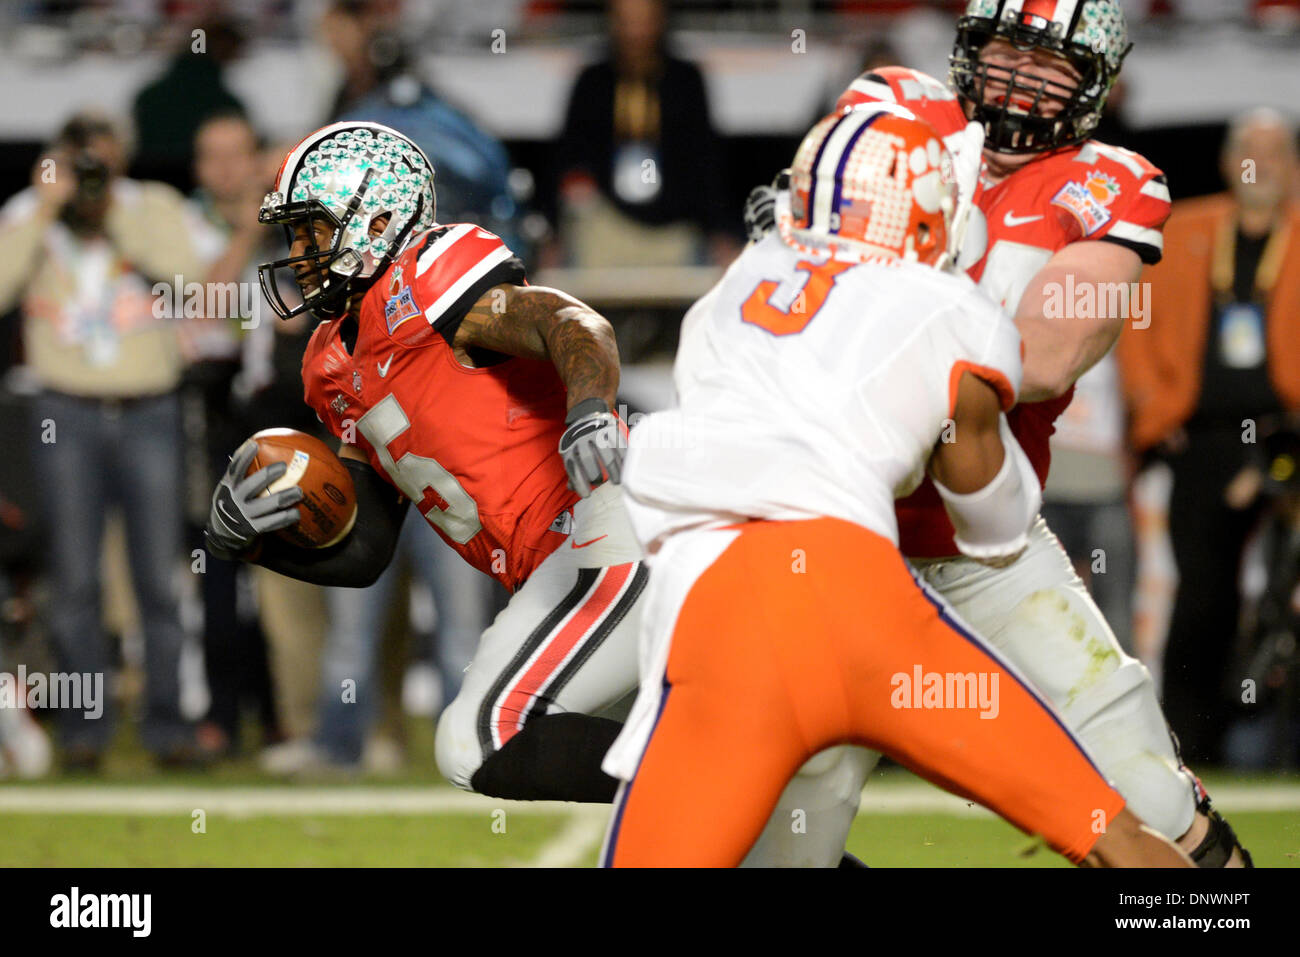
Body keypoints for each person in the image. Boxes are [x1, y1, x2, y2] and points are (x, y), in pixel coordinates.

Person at [601, 103, 1189, 868]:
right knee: (1115, 837)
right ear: (928, 214)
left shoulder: (735, 286)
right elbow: (995, 525)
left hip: (722, 611)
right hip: (866, 609)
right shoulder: (950, 306)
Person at [740, 0, 1250, 868]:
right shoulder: (892, 106)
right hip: (829, 542)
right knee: (786, 837)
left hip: (985, 553)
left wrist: (902, 304)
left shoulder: (1112, 182)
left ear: (1093, 88)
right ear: (967, 51)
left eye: (1050, 66)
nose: (1018, 79)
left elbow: (1048, 356)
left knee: (1152, 803)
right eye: (1006, 52)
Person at [204, 121, 647, 801]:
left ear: (376, 219)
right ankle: (732, 779)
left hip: (610, 512)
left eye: (311, 230)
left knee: (484, 736)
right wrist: (252, 543)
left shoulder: (428, 276)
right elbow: (367, 549)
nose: (296, 254)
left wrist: (589, 407)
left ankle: (710, 766)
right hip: (562, 562)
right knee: (732, 840)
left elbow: (575, 324)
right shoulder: (330, 363)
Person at [0, 112, 205, 767]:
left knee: (159, 581)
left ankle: (169, 727)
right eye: (81, 162)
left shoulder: (153, 205)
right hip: (67, 411)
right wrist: (43, 210)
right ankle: (85, 733)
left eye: (101, 163)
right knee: (76, 579)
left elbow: (191, 285)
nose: (91, 176)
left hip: (148, 408)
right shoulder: (30, 212)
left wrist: (113, 213)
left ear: (123, 159)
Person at [1117, 107, 1300, 764]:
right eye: (1251, 149)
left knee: (1287, 594)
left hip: (1290, 440)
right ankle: (1189, 748)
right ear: (1228, 161)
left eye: (1276, 150)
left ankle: (1276, 747)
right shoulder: (1185, 229)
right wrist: (1152, 407)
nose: (1262, 163)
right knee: (1200, 600)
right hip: (1199, 440)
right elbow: (1132, 322)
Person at [554, 0, 737, 268]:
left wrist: (719, 230)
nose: (635, 32)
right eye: (626, 21)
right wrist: (556, 231)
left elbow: (705, 162)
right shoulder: (592, 82)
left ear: (661, 20)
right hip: (605, 230)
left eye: (644, 21)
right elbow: (568, 159)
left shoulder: (685, 81)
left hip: (676, 230)